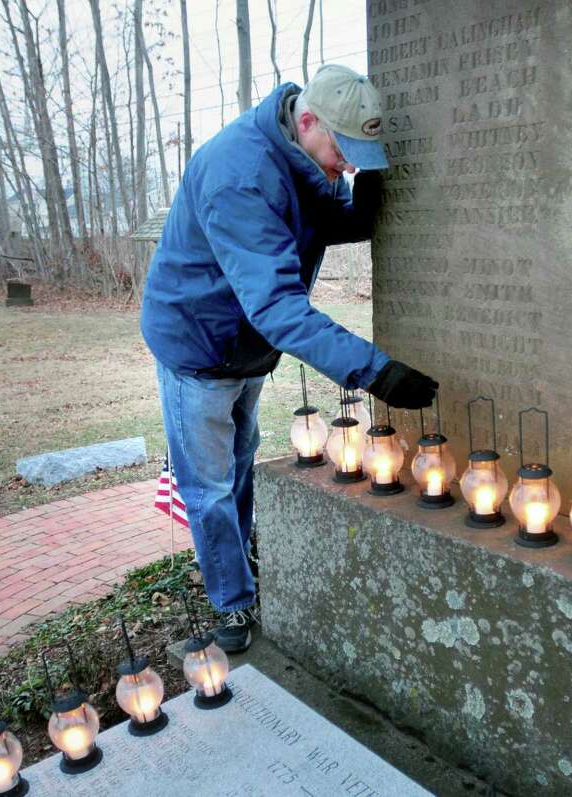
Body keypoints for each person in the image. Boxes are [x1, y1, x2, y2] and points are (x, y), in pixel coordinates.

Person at [140, 65, 438, 653]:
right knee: (209, 488)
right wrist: (374, 370)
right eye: (343, 152)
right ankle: (232, 603)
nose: (346, 166)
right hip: (198, 348)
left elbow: (331, 221)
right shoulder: (240, 177)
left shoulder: (301, 157)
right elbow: (276, 305)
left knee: (241, 461)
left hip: (244, 348)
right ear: (307, 121)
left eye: (357, 157)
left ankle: (240, 557)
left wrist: (369, 195)